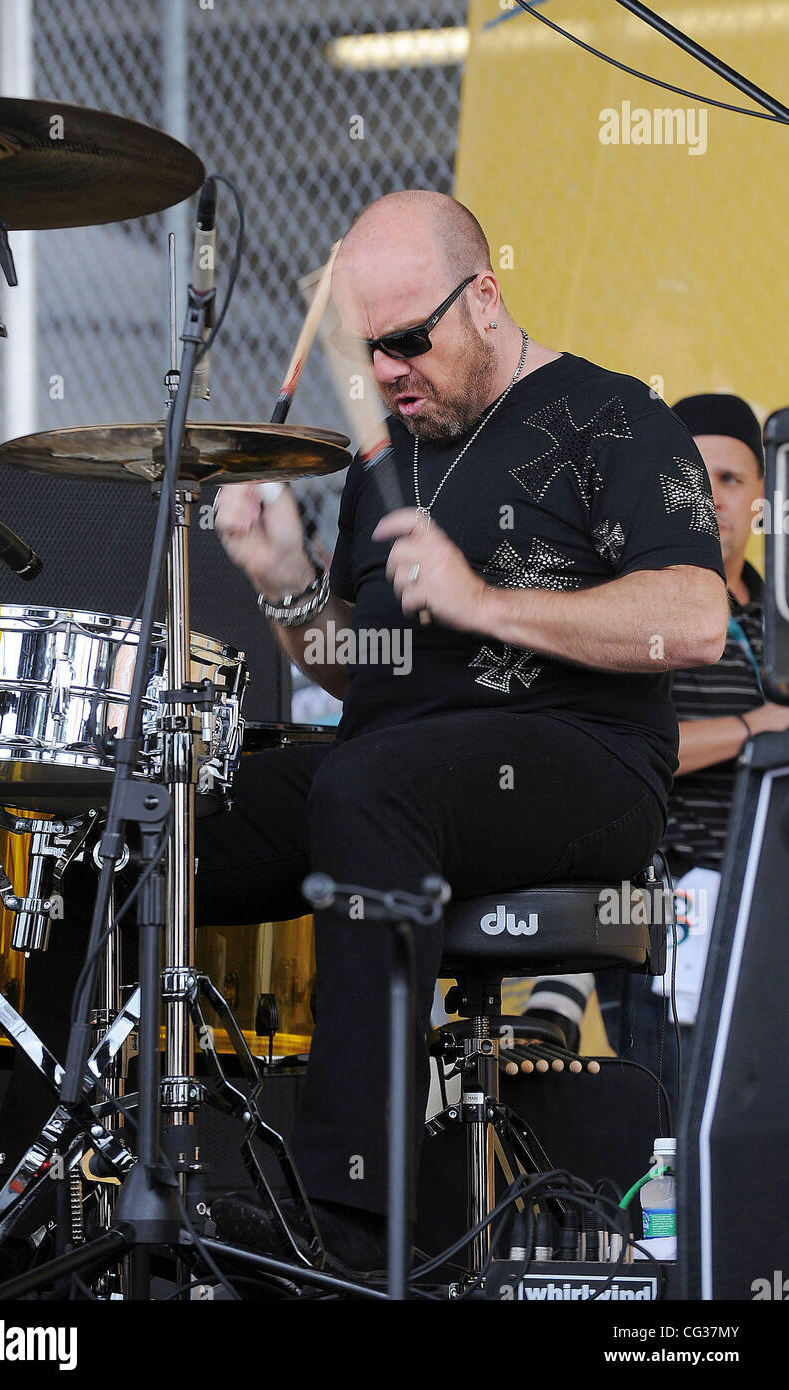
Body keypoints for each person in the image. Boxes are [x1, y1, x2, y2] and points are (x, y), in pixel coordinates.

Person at [196, 189, 727, 1273]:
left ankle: (353, 1229)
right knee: (170, 814)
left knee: (370, 787)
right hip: (396, 766)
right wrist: (285, 581)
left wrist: (481, 600)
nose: (387, 369)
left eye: (407, 339)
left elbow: (695, 618)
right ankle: (76, 1167)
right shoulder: (383, 453)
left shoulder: (614, 417)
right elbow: (356, 666)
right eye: (367, 345)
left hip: (583, 763)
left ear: (482, 298)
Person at [526, 393, 777, 1119]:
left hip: (766, 903)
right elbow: (623, 756)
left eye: (729, 480)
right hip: (666, 913)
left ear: (760, 501)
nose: (710, 498)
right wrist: (756, 727)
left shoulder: (777, 618)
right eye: (690, 478)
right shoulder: (629, 612)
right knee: (678, 1130)